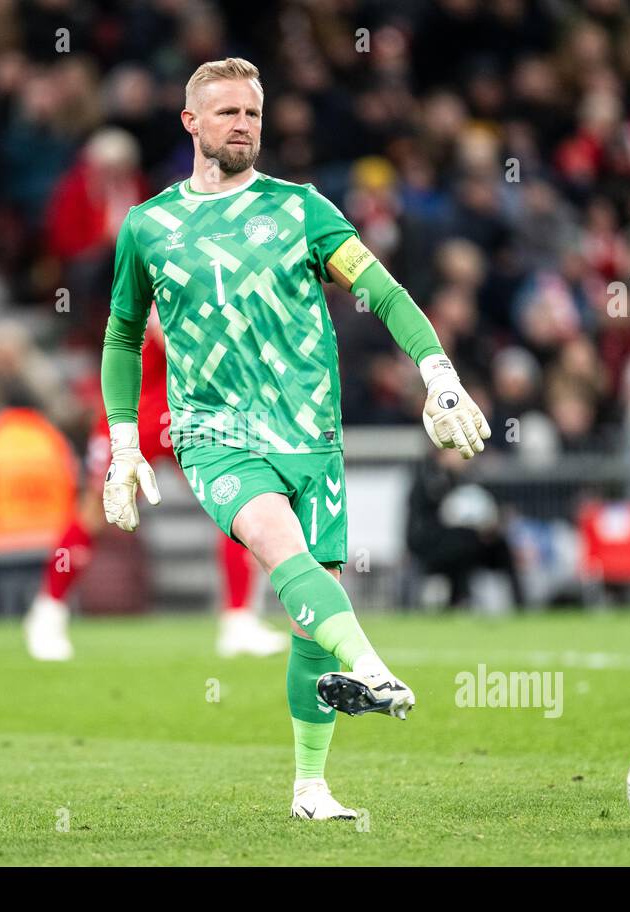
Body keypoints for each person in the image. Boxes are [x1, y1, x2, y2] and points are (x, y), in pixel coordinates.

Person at [98, 58, 490, 820]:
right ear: (191, 123)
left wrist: (438, 374)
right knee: (284, 554)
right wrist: (123, 442)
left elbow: (382, 290)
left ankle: (311, 788)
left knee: (313, 619)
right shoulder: (148, 226)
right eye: (226, 113)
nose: (242, 125)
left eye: (252, 112)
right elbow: (120, 335)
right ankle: (370, 665)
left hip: (312, 437)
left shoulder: (301, 209)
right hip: (214, 434)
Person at [23, 305, 288, 661]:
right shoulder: (165, 276)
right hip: (135, 411)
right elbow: (175, 339)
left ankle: (238, 620)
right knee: (96, 513)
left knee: (236, 502)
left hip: (188, 413)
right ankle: (48, 612)